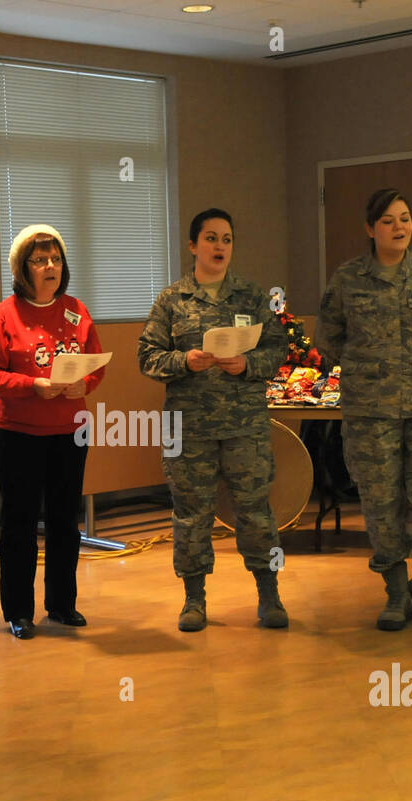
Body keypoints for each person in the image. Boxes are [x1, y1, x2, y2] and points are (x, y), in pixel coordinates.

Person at [317, 188, 412, 631]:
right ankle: (395, 592)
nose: (399, 227)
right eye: (388, 220)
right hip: (371, 412)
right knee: (381, 505)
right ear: (370, 229)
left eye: (404, 218)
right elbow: (326, 341)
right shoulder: (347, 279)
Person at [138, 208, 290, 631]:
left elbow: (278, 350)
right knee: (191, 514)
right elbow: (146, 357)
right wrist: (184, 359)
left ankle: (269, 594)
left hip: (246, 428)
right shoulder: (172, 300)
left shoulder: (252, 297)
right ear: (192, 246)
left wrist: (248, 363)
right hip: (189, 430)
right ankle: (194, 599)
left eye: (226, 239)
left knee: (257, 512)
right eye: (210, 238)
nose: (219, 246)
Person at [0, 225, 105, 639]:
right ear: (22, 268)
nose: (50, 266)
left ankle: (62, 604)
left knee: (65, 522)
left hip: (70, 433)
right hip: (20, 435)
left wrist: (87, 384)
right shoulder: (3, 314)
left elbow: (96, 366)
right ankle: (18, 610)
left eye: (56, 259)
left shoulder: (77, 311)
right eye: (40, 260)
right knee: (20, 524)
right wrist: (32, 385)